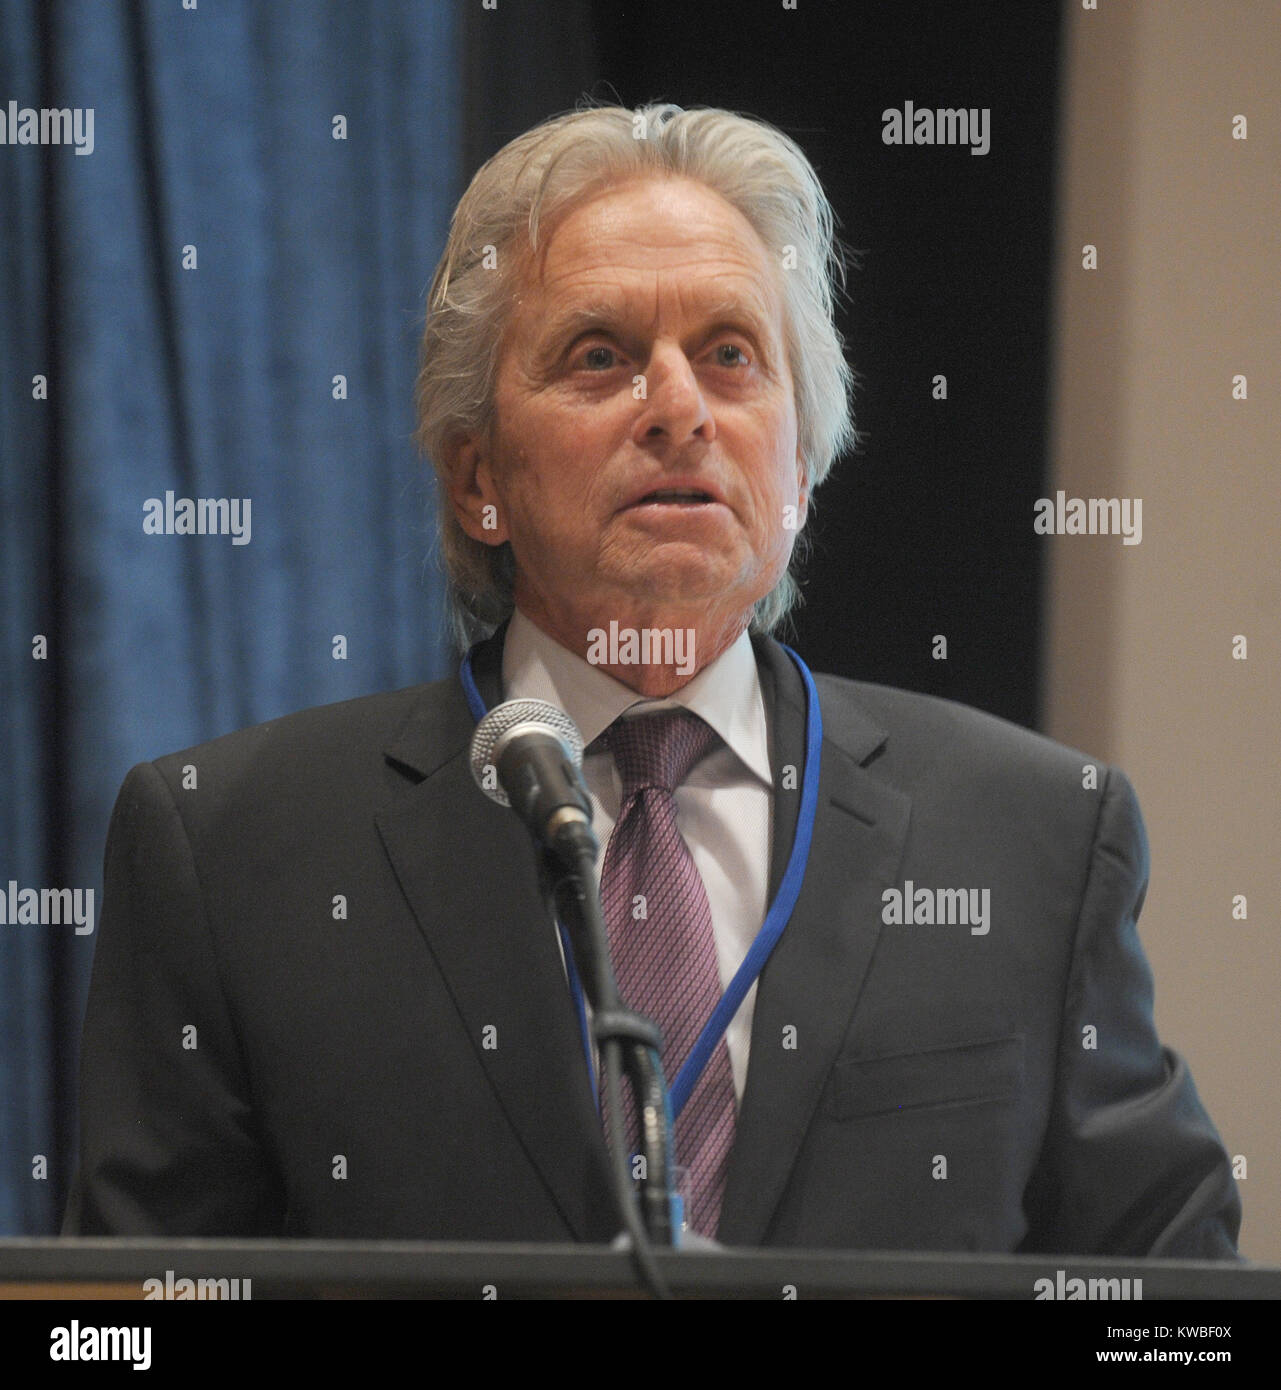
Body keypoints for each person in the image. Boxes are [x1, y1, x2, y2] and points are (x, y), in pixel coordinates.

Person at [64, 102, 1241, 1256]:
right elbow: (123, 1329)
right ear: (479, 473)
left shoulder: (1029, 841)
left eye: (731, 356)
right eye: (600, 356)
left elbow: (1176, 1309)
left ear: (801, 461)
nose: (679, 409)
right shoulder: (229, 850)